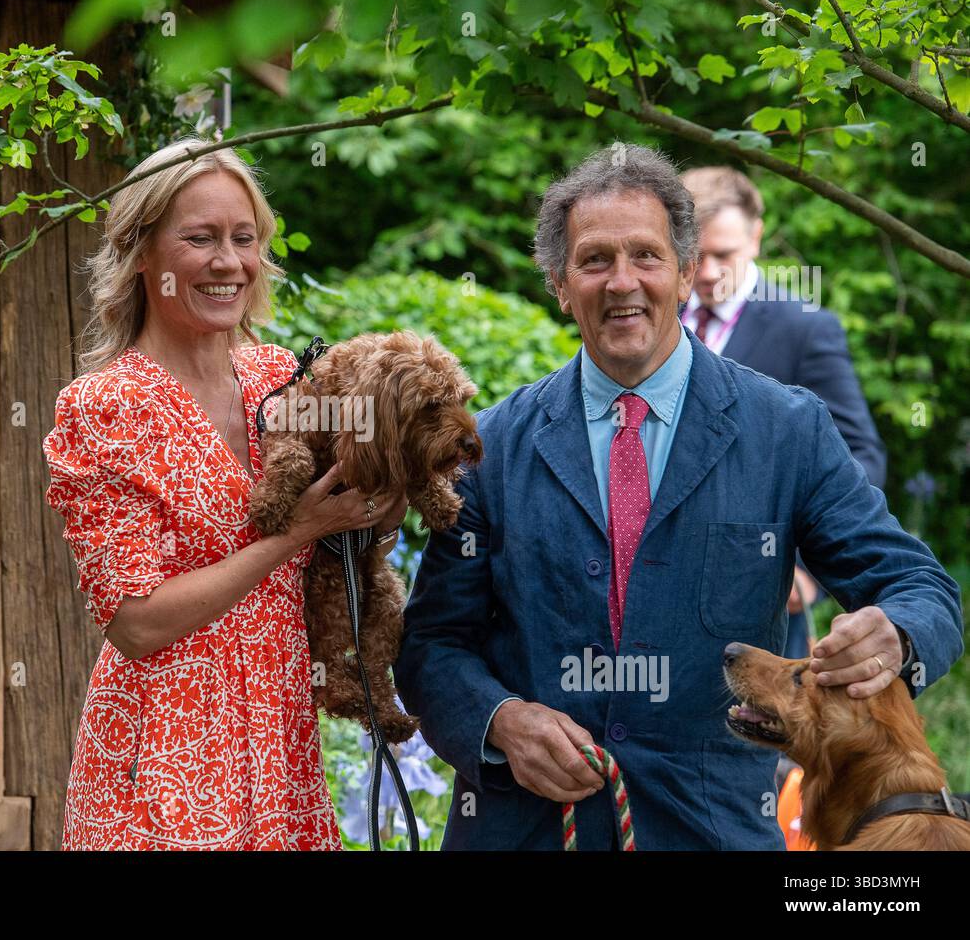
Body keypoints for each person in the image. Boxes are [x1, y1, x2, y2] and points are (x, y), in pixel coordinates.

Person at [393, 144, 963, 850]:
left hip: (712, 831)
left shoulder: (785, 429)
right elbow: (429, 646)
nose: (622, 282)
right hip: (530, 830)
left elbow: (919, 585)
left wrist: (899, 633)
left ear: (688, 271)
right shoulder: (492, 446)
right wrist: (500, 720)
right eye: (595, 260)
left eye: (647, 256)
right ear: (559, 283)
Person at [43, 136, 406, 849]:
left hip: (279, 746)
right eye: (200, 238)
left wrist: (380, 499)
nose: (227, 262)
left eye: (244, 238)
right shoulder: (105, 408)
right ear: (141, 251)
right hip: (164, 756)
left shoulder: (279, 376)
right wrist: (292, 533)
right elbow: (136, 623)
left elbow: (348, 521)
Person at [679, 166, 887, 658]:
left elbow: (860, 452)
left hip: (764, 594)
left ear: (756, 234)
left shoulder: (806, 329)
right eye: (695, 254)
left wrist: (808, 571)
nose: (708, 273)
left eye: (723, 254)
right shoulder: (652, 319)